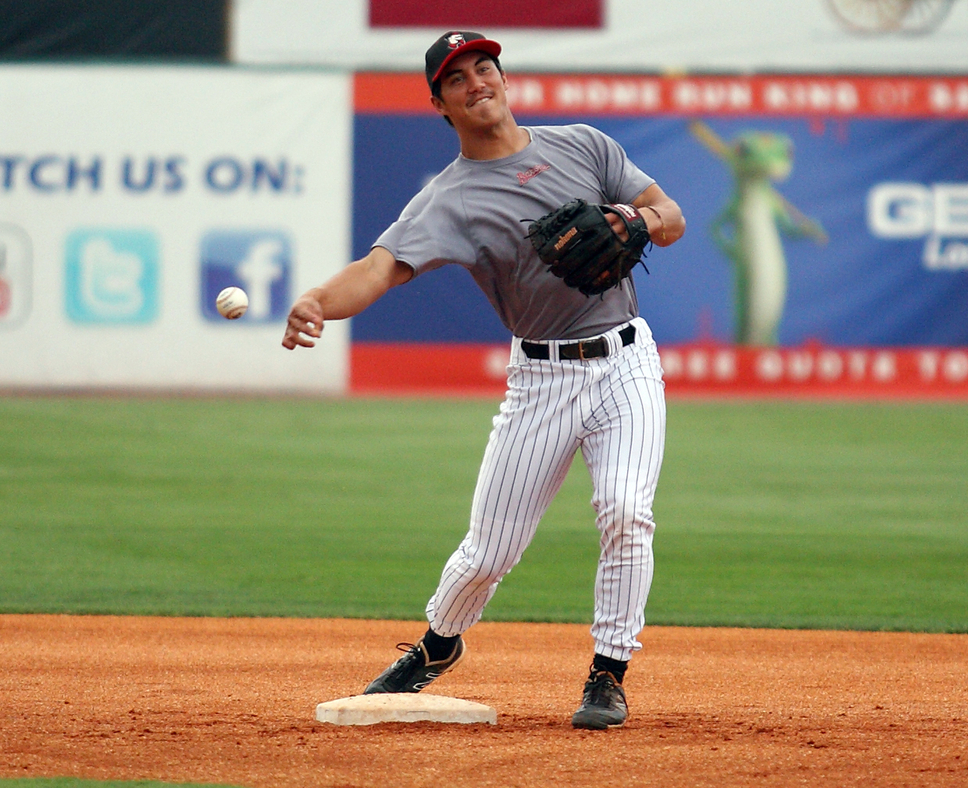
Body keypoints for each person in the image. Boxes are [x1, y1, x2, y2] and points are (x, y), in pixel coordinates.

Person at [282, 31, 685, 730]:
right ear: (440, 103)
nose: (477, 82)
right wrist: (319, 298)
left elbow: (671, 218)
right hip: (541, 380)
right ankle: (438, 645)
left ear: (502, 76)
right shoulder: (448, 200)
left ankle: (608, 675)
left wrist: (632, 220)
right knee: (488, 551)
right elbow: (378, 269)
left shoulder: (584, 146)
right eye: (458, 78)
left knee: (625, 510)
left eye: (484, 67)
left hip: (625, 360)